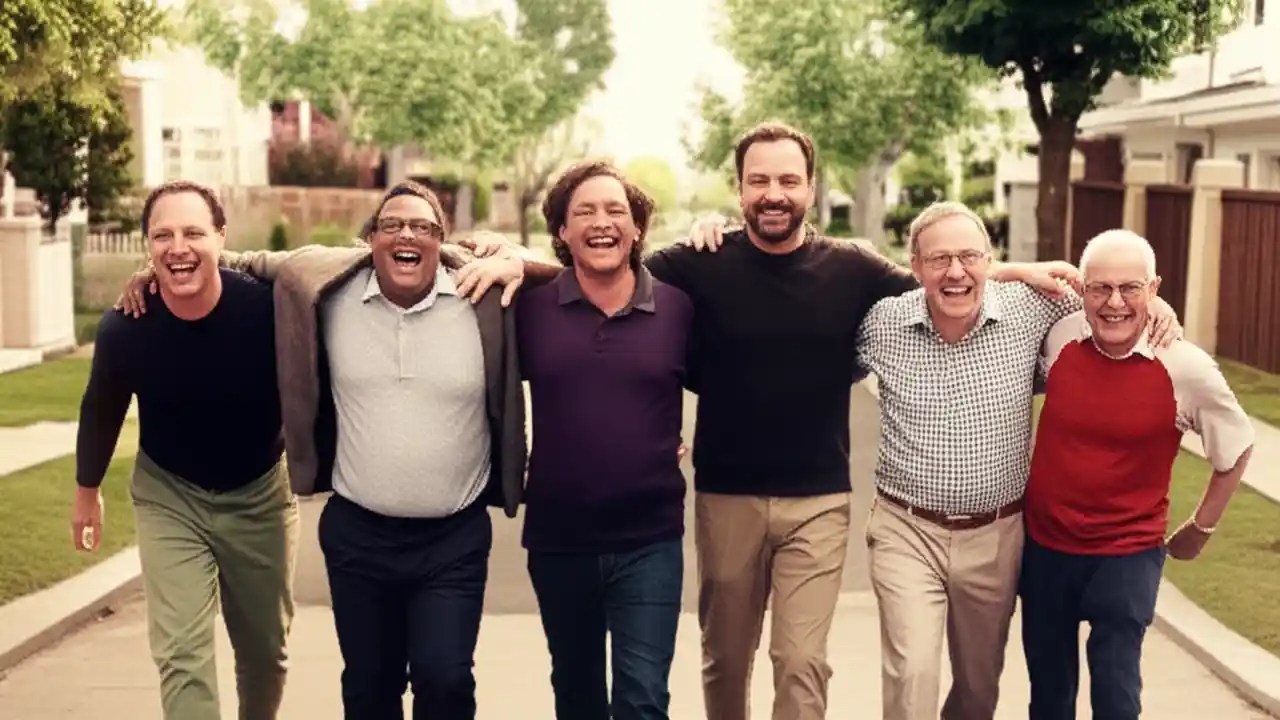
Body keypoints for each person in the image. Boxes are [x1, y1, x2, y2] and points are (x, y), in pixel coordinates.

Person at [449, 122, 1073, 720]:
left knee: (801, 660)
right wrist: (517, 263)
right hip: (726, 498)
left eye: (788, 180)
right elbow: (596, 270)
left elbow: (940, 274)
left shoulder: (854, 270)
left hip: (820, 501)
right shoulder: (696, 263)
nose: (774, 194)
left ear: (810, 187)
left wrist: (1014, 271)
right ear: (740, 187)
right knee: (726, 660)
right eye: (759, 180)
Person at [116, 180, 526, 720]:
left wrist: (518, 257)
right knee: (367, 689)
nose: (407, 235)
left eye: (423, 227)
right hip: (359, 535)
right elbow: (236, 257)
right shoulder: (328, 287)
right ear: (368, 241)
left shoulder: (486, 298)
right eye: (391, 225)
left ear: (443, 243)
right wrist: (164, 264)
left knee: (445, 678)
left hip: (452, 537)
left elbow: (572, 273)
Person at [72, 180, 299, 720]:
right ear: (147, 246)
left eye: (194, 232)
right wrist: (87, 494)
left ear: (222, 238)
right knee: (182, 656)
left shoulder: (267, 312)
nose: (178, 247)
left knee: (266, 654)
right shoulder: (126, 326)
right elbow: (101, 408)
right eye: (162, 235)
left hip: (260, 497)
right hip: (169, 495)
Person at [1021, 229, 1254, 720]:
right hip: (1045, 547)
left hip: (1127, 552)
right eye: (1100, 288)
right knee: (1048, 693)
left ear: (1155, 290)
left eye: (1131, 288)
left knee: (1115, 689)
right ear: (1081, 290)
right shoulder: (1058, 335)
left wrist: (1202, 527)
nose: (1114, 303)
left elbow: (1236, 447)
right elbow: (973, 280)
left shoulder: (1186, 368)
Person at [517, 161, 693, 719]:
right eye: (585, 211)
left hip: (650, 540)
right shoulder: (527, 307)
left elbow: (730, 381)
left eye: (617, 210)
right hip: (558, 539)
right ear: (562, 232)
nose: (602, 222)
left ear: (637, 228)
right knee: (576, 694)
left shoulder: (676, 309)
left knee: (643, 699)